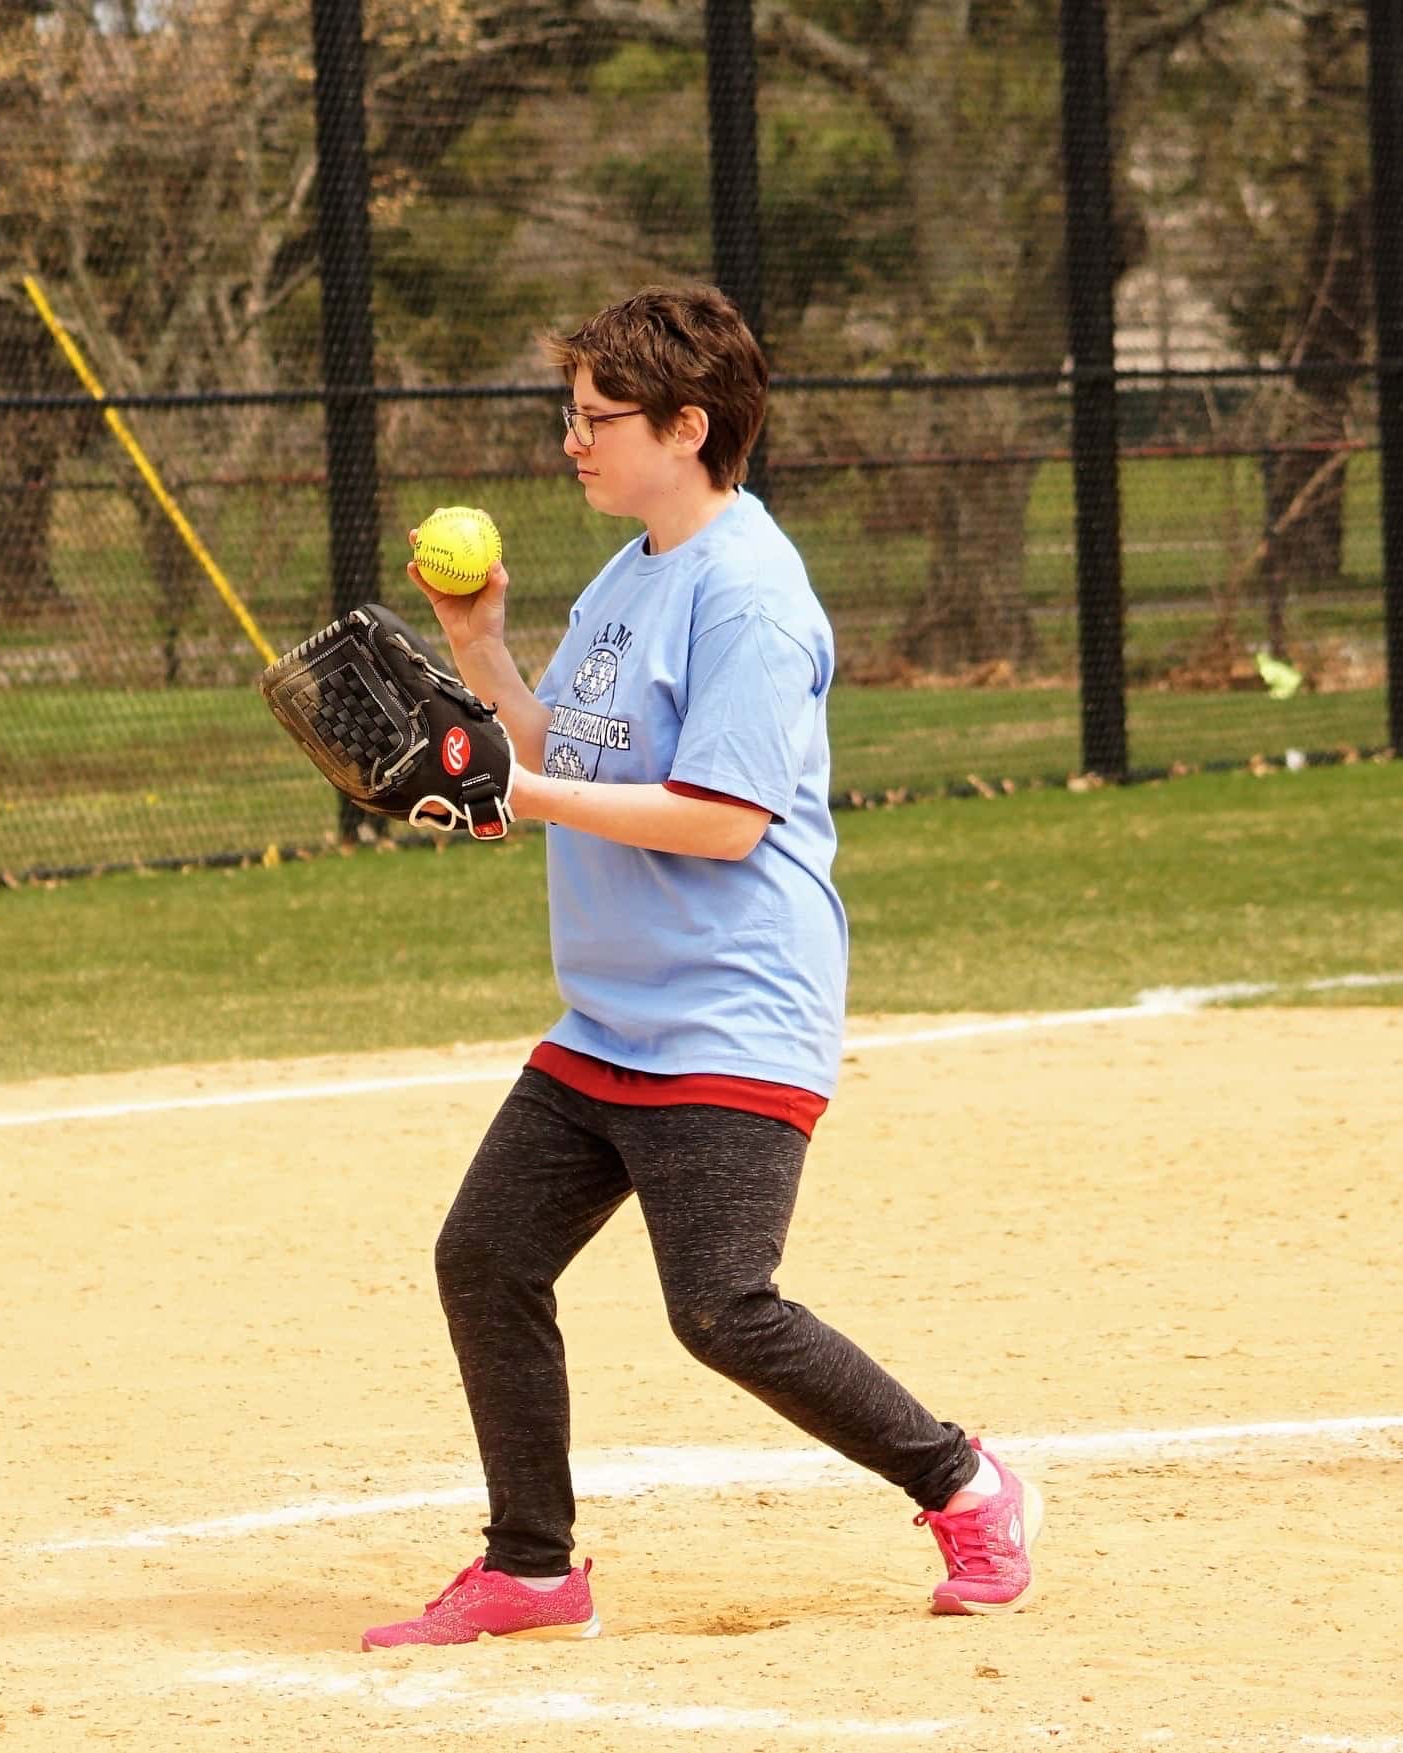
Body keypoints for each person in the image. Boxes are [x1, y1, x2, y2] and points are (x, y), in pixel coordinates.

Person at [360, 285, 1043, 1652]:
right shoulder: (632, 572)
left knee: (722, 1307)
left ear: (688, 425)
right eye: (570, 412)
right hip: (613, 1010)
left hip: (731, 1010)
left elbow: (722, 819)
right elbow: (569, 753)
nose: (571, 439)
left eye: (597, 416)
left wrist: (515, 795)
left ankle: (963, 1481)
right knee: (484, 1255)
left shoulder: (749, 596)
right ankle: (532, 1565)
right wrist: (481, 650)